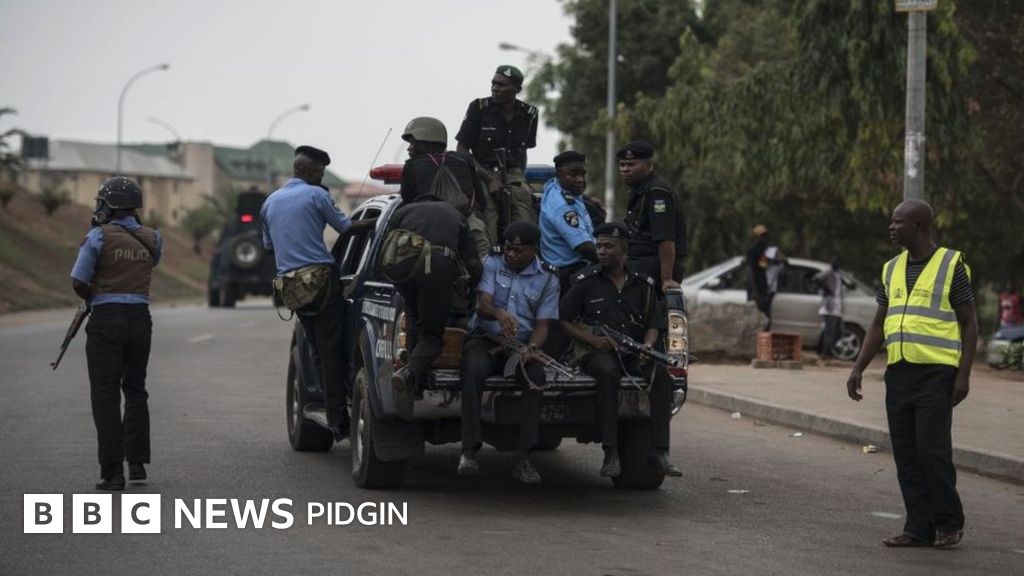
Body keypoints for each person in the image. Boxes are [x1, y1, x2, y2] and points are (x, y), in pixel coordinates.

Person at [846, 199, 977, 550]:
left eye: (898, 222)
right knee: (906, 453)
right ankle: (918, 527)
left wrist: (963, 376)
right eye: (891, 221)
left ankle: (949, 523)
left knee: (932, 451)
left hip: (937, 373)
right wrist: (858, 367)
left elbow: (969, 323)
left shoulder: (950, 265)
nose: (891, 227)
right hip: (900, 373)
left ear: (920, 226)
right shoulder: (891, 268)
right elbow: (877, 324)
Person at [261, 146, 376, 441]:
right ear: (311, 172)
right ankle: (339, 422)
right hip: (322, 283)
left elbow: (269, 246)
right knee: (333, 352)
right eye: (320, 172)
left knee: (315, 349)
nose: (321, 176)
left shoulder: (270, 201)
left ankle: (325, 406)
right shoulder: (317, 195)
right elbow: (345, 227)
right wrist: (376, 224)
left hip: (292, 288)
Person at [559, 222, 681, 479]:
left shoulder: (643, 284)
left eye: (608, 246)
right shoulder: (585, 282)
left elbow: (653, 324)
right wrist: (591, 340)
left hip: (633, 351)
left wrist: (648, 346)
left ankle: (659, 452)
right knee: (608, 373)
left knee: (660, 375)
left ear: (623, 251)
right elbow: (563, 320)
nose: (601, 251)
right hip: (596, 353)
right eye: (599, 246)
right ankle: (611, 451)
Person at [70, 176, 163, 490]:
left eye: (101, 202)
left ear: (110, 204)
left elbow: (78, 281)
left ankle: (112, 473)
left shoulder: (97, 237)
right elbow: (151, 264)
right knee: (136, 389)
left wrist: (94, 294)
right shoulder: (153, 237)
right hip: (140, 319)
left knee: (106, 395)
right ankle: (136, 465)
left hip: (107, 321)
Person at [458, 221, 559, 484]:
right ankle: (469, 451)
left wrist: (532, 348)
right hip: (485, 338)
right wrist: (498, 314)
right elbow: (482, 305)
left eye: (518, 250)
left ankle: (524, 457)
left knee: (536, 378)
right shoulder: (493, 261)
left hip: (520, 345)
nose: (511, 254)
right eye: (509, 249)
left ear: (533, 251)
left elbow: (543, 325)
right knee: (473, 370)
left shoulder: (548, 277)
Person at [388, 193, 483, 418]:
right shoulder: (454, 214)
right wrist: (472, 289)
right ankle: (409, 374)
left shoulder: (401, 212)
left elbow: (387, 247)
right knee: (432, 336)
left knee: (414, 318)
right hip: (436, 268)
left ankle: (414, 382)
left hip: (401, 270)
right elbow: (473, 262)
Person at [456, 65, 540, 244]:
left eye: (502, 85)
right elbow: (462, 150)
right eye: (493, 83)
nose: (495, 88)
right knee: (488, 217)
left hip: (513, 174)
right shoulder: (479, 108)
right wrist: (489, 179)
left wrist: (519, 178)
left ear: (517, 89)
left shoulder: (529, 114)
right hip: (482, 172)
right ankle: (489, 260)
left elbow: (523, 151)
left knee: (526, 218)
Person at [398, 116, 488, 259]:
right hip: (469, 225)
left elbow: (408, 202)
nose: (409, 148)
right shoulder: (464, 159)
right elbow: (481, 201)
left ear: (425, 144)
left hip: (426, 232)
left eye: (413, 143)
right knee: (485, 265)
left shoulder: (413, 166)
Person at [618, 141, 687, 293]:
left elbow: (665, 238)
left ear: (648, 166)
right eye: (622, 165)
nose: (625, 169)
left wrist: (667, 279)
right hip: (641, 260)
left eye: (631, 165)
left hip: (654, 264)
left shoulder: (657, 192)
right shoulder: (640, 190)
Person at [539, 150, 597, 293]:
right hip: (568, 274)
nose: (580, 180)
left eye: (583, 174)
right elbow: (584, 247)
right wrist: (616, 264)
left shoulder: (556, 187)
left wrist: (589, 199)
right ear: (559, 175)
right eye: (573, 174)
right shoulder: (563, 207)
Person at [813, 256, 845, 359]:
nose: (837, 264)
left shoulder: (839, 274)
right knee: (829, 332)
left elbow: (843, 284)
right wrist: (826, 289)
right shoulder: (828, 272)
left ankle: (827, 350)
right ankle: (826, 354)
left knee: (840, 332)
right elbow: (816, 278)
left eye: (838, 262)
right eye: (835, 262)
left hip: (838, 307)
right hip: (829, 307)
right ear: (831, 263)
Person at [747, 224, 772, 326]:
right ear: (756, 237)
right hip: (756, 292)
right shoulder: (752, 251)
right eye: (762, 236)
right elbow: (750, 271)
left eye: (765, 236)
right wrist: (755, 292)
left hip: (763, 290)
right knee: (756, 322)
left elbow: (763, 266)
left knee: (765, 321)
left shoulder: (764, 252)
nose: (764, 238)